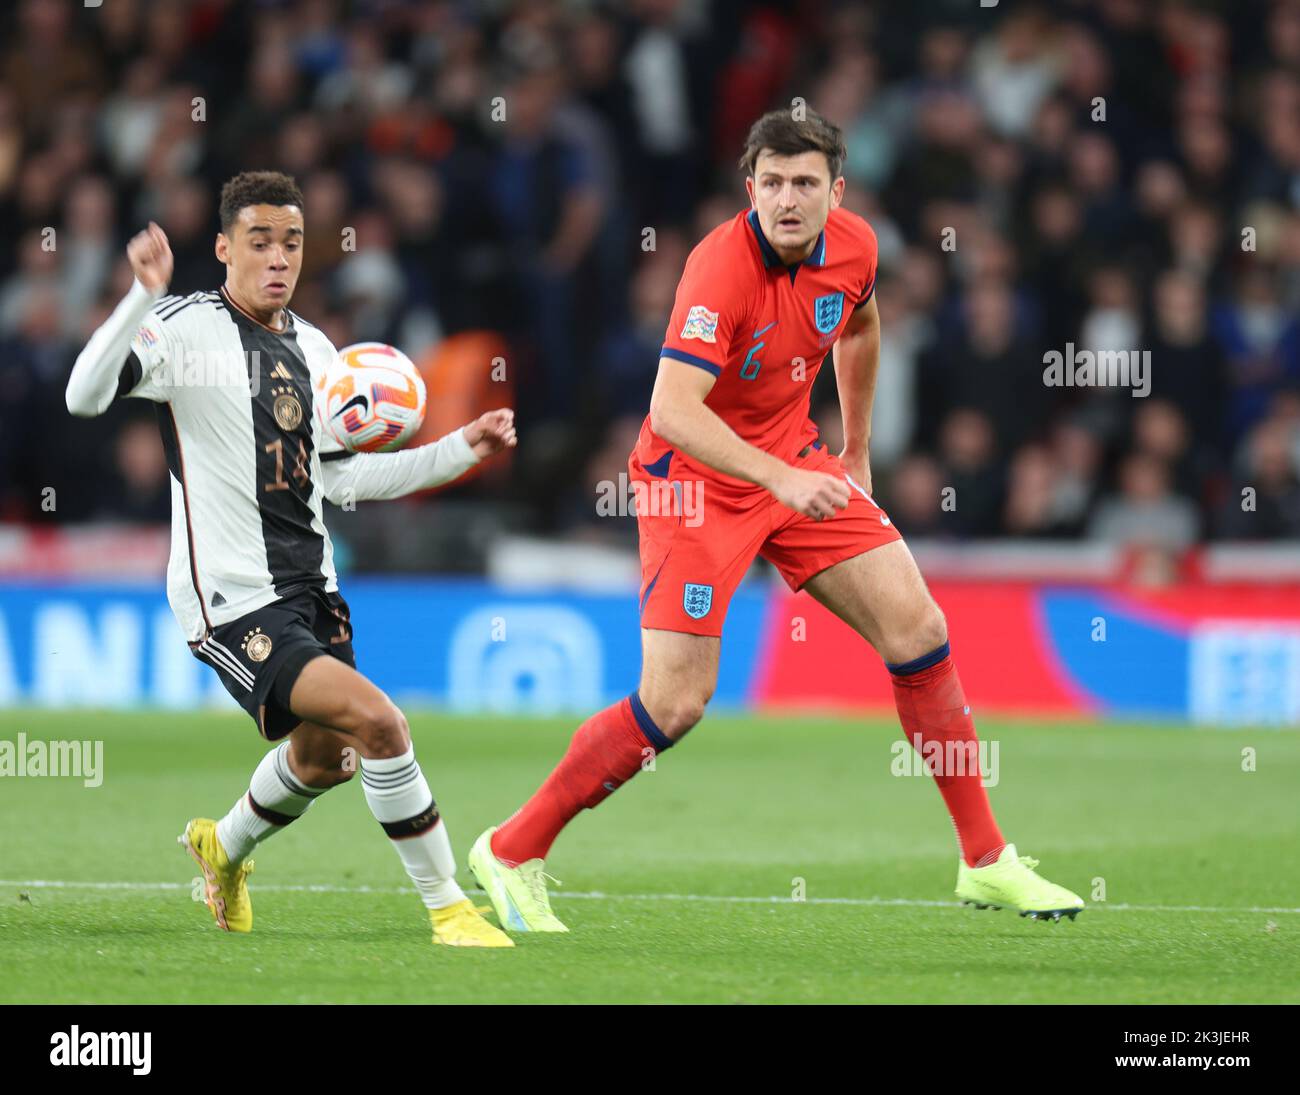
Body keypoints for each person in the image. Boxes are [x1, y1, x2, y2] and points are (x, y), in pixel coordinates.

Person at [469, 111, 1084, 930]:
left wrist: (855, 448)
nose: (787, 200)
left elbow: (859, 325)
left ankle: (985, 859)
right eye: (772, 183)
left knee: (919, 628)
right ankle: (511, 847)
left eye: (804, 183)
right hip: (694, 479)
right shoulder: (717, 269)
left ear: (837, 190)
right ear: (748, 187)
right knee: (676, 702)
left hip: (791, 458)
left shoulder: (858, 248)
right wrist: (779, 479)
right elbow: (673, 410)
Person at [66, 171, 517, 948]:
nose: (279, 258)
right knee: (380, 721)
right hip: (233, 598)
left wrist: (454, 452)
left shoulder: (315, 348)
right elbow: (83, 394)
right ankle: (449, 907)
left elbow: (343, 480)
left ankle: (223, 848)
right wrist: (139, 296)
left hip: (312, 589)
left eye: (293, 242)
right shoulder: (182, 329)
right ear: (223, 248)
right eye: (260, 241)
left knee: (326, 756)